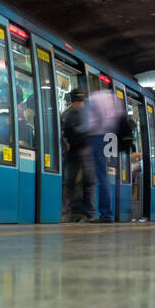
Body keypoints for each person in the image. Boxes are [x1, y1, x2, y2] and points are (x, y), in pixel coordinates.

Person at [85, 88, 124, 222]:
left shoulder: (94, 96)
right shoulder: (114, 98)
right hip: (110, 137)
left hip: (98, 137)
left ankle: (106, 214)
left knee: (101, 177)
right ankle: (108, 213)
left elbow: (90, 123)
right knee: (105, 176)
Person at [60, 89, 97, 221]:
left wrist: (68, 139)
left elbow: (60, 120)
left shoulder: (71, 114)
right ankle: (89, 213)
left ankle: (66, 212)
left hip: (75, 151)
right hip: (86, 150)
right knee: (89, 184)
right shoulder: (88, 112)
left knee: (70, 183)